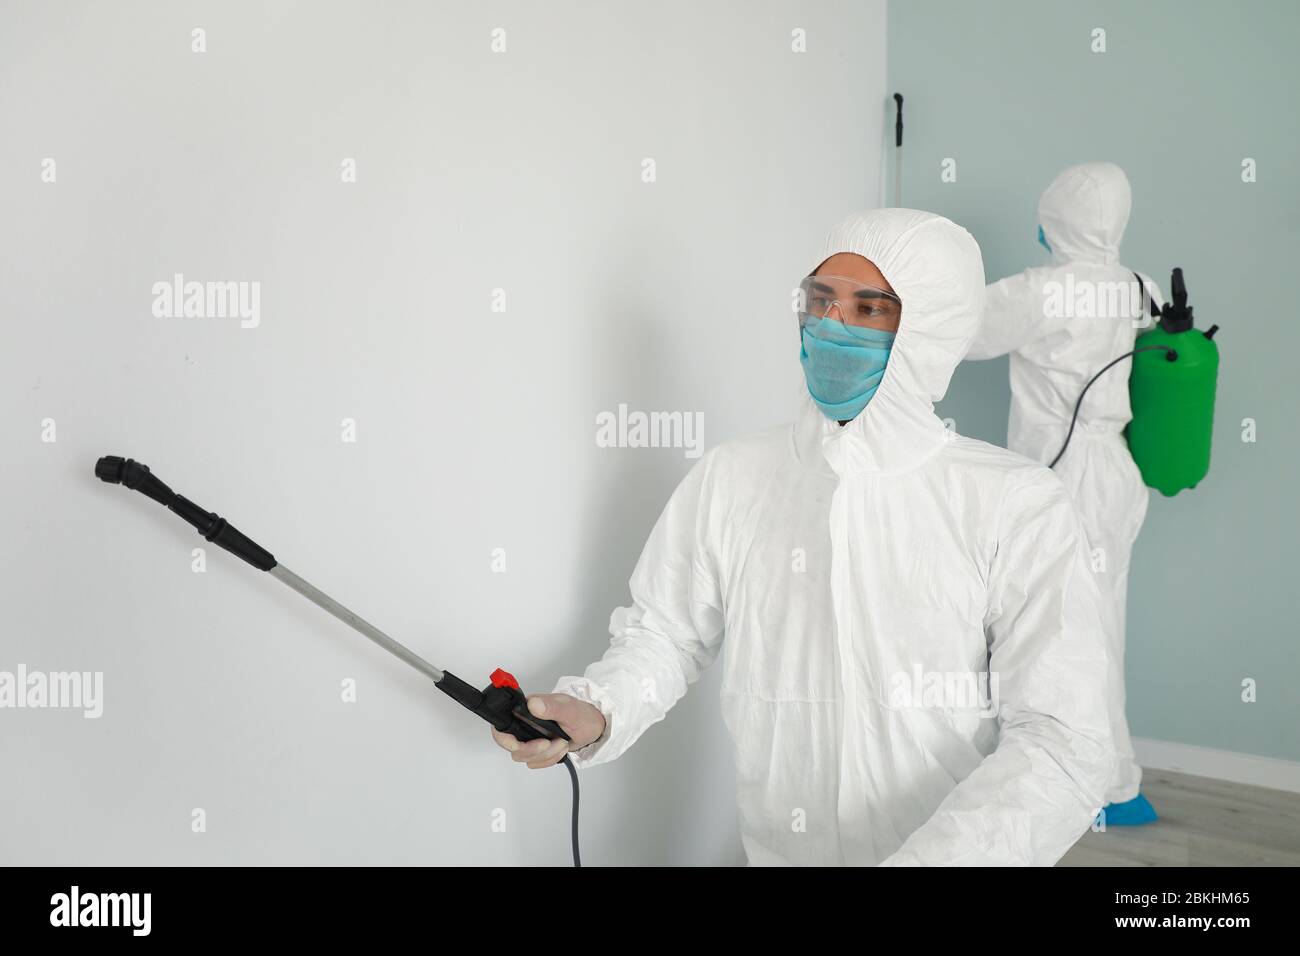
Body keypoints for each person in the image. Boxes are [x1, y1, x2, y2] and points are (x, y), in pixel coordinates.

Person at [495, 208, 1116, 865]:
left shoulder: (1014, 503)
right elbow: (666, 634)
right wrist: (600, 709)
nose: (831, 324)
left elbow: (1060, 739)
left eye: (869, 308)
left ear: (930, 330)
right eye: (820, 299)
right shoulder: (735, 477)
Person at [964, 162, 1159, 826]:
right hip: (1116, 473)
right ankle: (1108, 779)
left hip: (1063, 472)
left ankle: (1100, 785)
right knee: (1101, 623)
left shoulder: (1042, 292)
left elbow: (964, 331)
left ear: (1057, 220)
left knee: (1053, 630)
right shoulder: (1138, 287)